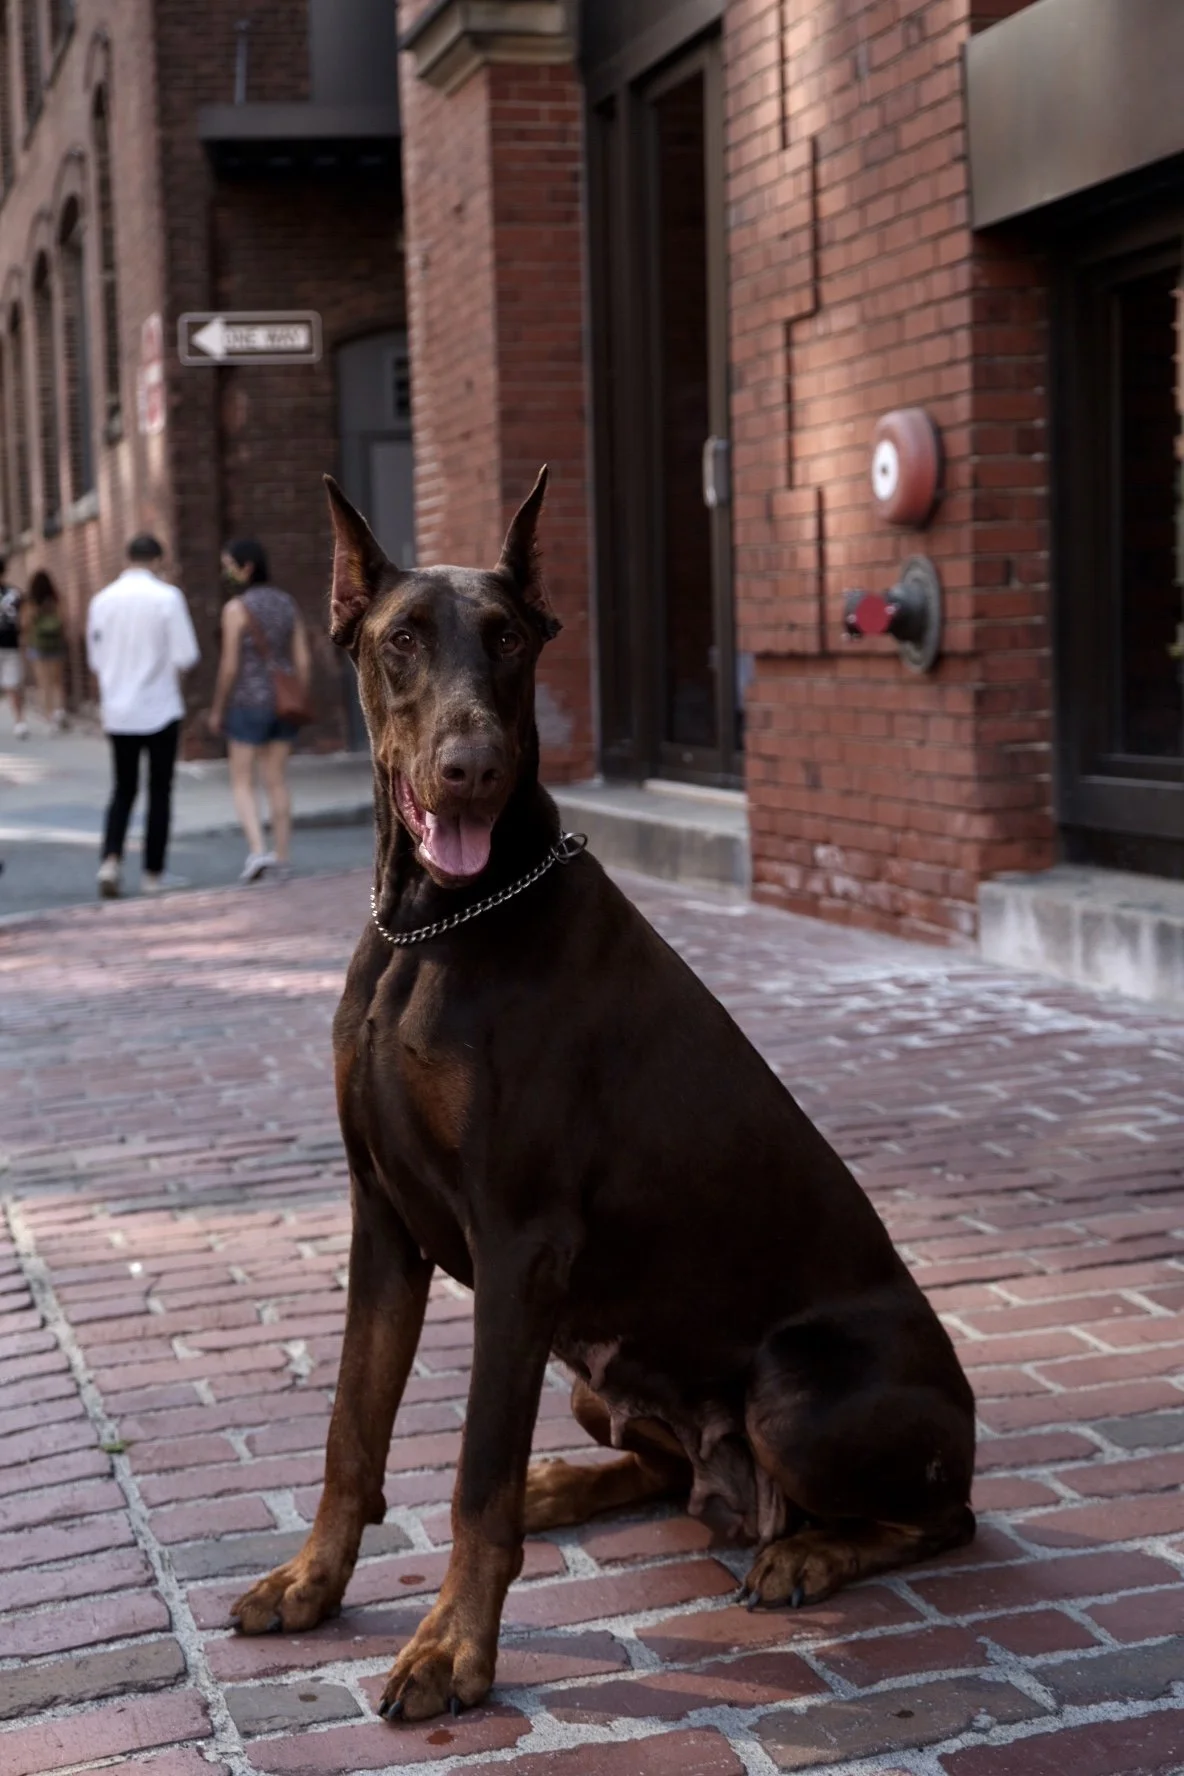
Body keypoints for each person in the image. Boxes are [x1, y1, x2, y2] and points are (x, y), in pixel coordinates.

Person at [86, 534, 200, 899]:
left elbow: (94, 659)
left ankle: (110, 859)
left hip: (118, 708)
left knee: (122, 788)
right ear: (157, 561)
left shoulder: (102, 600)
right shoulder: (167, 597)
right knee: (160, 790)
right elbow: (186, 655)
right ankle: (153, 872)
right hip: (160, 706)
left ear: (128, 558)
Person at [208, 538, 311, 883]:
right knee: (277, 780)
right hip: (283, 705)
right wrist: (298, 696)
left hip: (246, 704)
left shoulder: (236, 609)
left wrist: (218, 708)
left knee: (242, 780)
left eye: (228, 566)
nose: (226, 572)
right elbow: (303, 661)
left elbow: (229, 666)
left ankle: (257, 851)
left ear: (246, 567)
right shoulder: (287, 604)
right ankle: (283, 855)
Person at [27, 581, 68, 729]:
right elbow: (63, 620)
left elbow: (26, 623)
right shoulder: (56, 600)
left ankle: (49, 715)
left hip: (38, 646)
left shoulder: (31, 603)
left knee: (44, 683)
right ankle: (59, 711)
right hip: (55, 645)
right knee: (57, 681)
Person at [0, 561, 28, 739]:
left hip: (10, 645)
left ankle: (19, 722)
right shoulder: (15, 594)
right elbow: (24, 621)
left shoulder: (15, 594)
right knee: (13, 684)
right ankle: (19, 722)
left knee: (12, 684)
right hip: (11, 643)